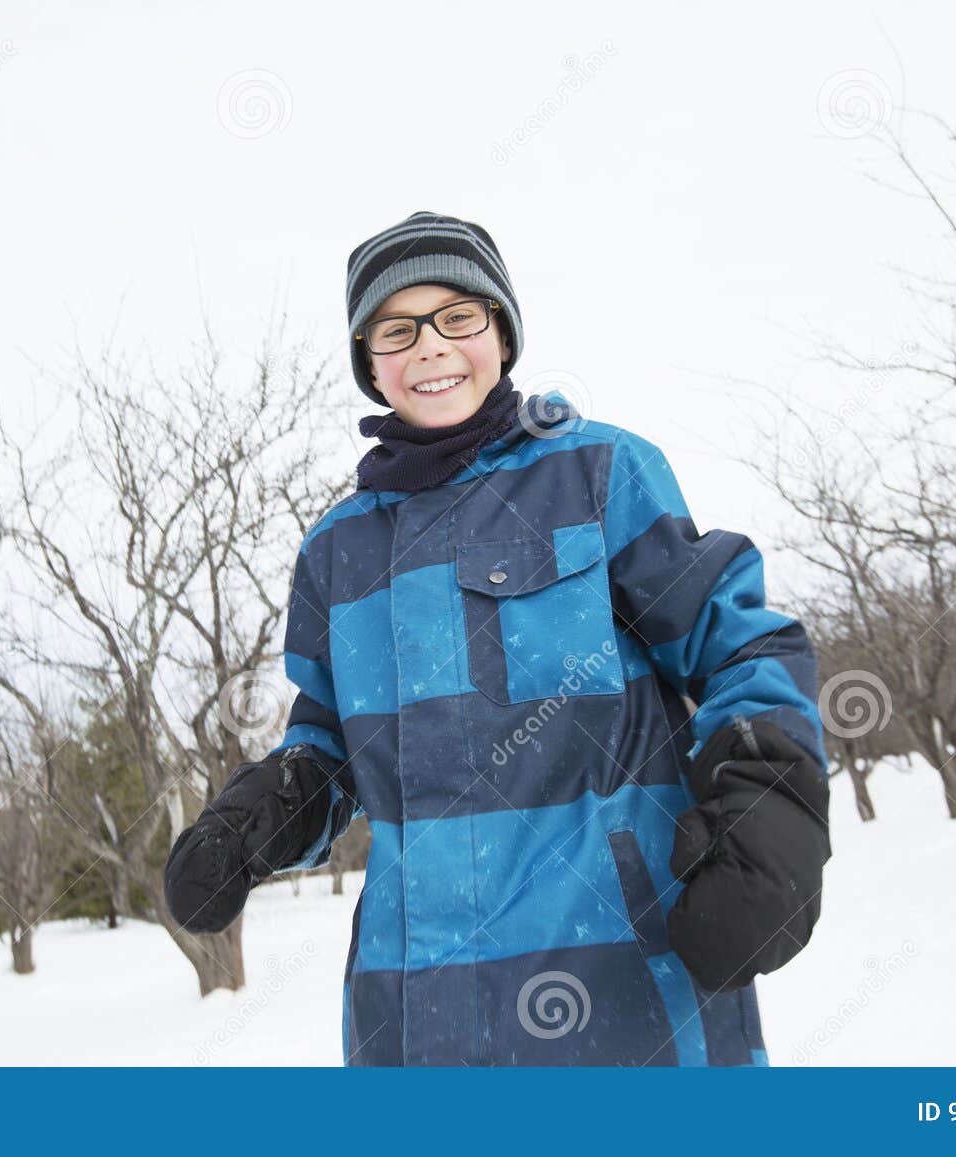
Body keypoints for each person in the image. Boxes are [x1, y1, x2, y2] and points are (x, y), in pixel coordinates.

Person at [165, 210, 831, 1067]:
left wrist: (768, 806)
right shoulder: (337, 549)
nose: (432, 346)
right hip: (412, 1016)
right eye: (397, 329)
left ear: (502, 334)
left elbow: (738, 642)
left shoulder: (596, 474)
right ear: (371, 361)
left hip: (622, 986)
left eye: (458, 316)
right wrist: (265, 812)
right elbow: (333, 739)